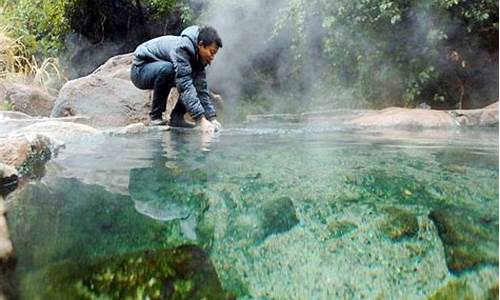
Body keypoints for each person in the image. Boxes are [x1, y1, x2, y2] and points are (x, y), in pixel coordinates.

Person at [130, 25, 222, 133]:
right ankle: (155, 117)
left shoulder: (198, 58)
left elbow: (201, 88)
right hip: (140, 70)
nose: (212, 57)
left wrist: (211, 118)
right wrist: (201, 120)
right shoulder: (182, 49)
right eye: (211, 52)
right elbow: (185, 85)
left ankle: (177, 118)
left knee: (193, 81)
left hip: (156, 69)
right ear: (201, 45)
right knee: (170, 71)